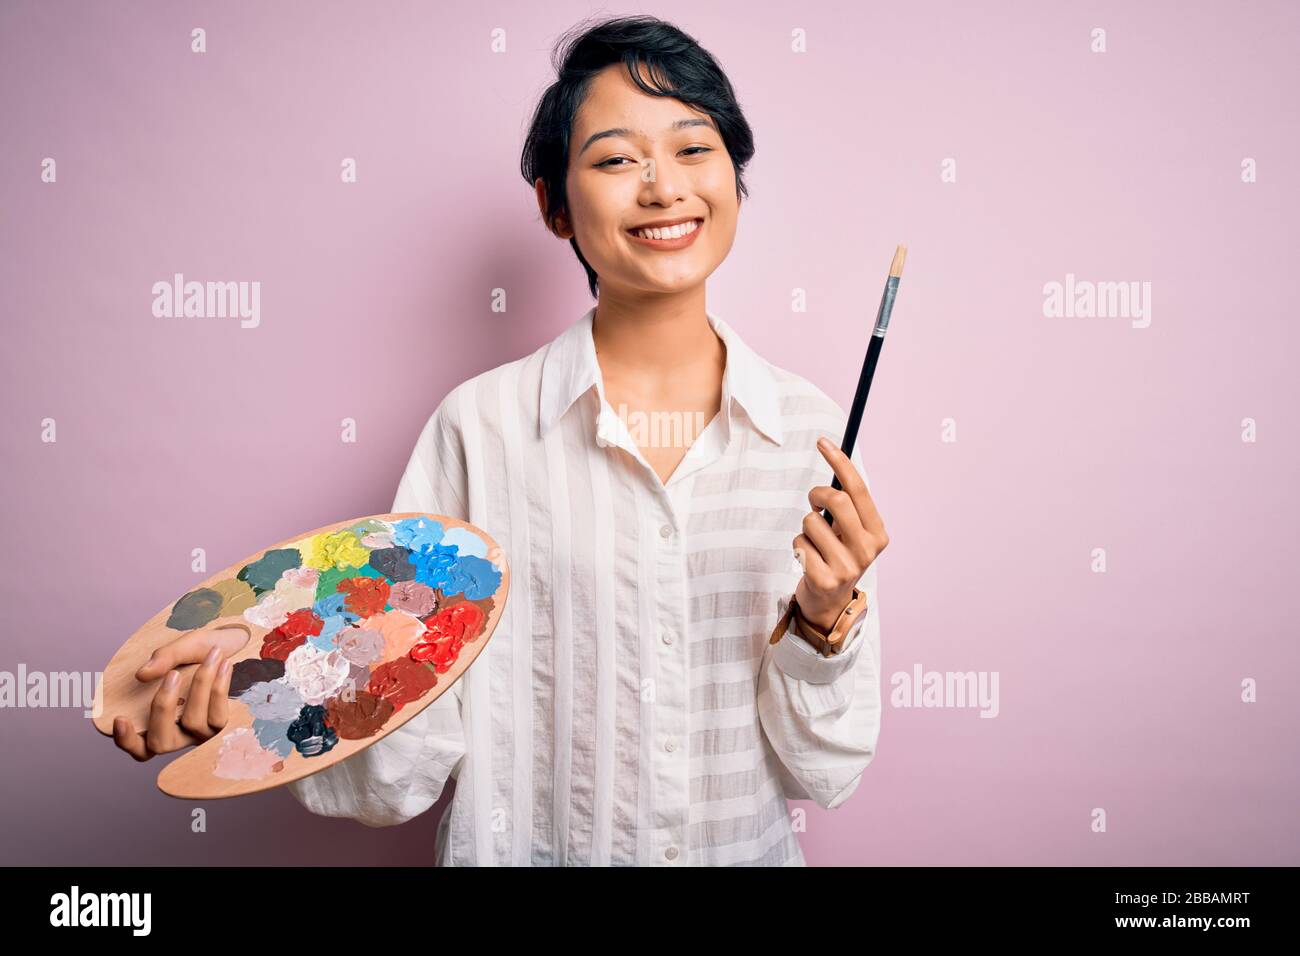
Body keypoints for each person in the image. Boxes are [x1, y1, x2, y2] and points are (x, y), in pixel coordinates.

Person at [112, 14, 889, 866]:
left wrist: (822, 622)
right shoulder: (477, 430)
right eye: (617, 158)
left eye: (694, 149)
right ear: (555, 206)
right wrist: (268, 684)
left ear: (735, 182)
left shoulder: (810, 433)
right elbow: (401, 767)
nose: (664, 187)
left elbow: (827, 766)